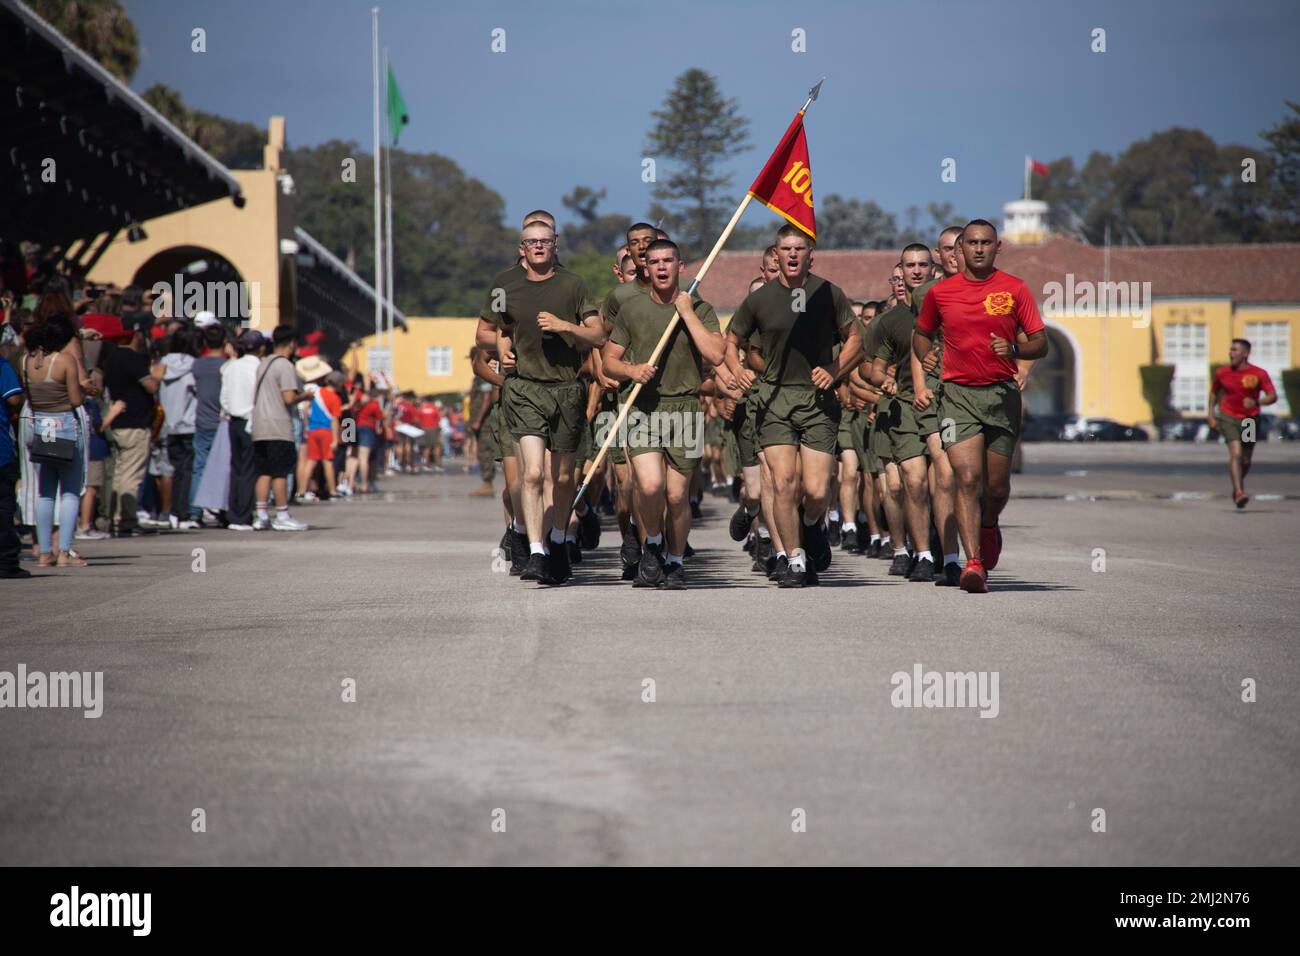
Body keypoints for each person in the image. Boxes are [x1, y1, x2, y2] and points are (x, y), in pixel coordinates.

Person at [912, 220, 1048, 593]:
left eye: (986, 243)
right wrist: (927, 358)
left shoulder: (1014, 289)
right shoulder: (941, 294)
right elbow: (921, 334)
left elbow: (1041, 342)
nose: (978, 249)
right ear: (960, 249)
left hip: (1002, 396)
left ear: (997, 246)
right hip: (957, 397)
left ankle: (989, 525)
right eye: (971, 243)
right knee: (966, 477)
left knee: (997, 487)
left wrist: (1016, 351)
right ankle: (973, 563)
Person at [725, 225, 862, 587]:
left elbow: (856, 340)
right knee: (784, 484)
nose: (792, 255)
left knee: (816, 491)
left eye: (799, 249)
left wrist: (834, 369)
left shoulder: (828, 293)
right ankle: (796, 559)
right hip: (774, 398)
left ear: (809, 255)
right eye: (786, 249)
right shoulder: (760, 299)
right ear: (776, 253)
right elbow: (733, 338)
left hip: (816, 400)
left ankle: (813, 524)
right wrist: (737, 369)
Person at [602, 239, 724, 588]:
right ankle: (652, 542)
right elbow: (610, 361)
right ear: (645, 268)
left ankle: (674, 560)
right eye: (653, 261)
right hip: (642, 408)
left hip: (684, 408)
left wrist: (686, 313)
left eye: (668, 260)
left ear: (680, 266)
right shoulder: (632, 309)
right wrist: (631, 371)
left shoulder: (699, 308)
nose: (660, 267)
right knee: (651, 486)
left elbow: (715, 355)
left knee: (676, 495)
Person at [491, 219, 604, 584]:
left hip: (567, 389)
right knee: (534, 473)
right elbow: (497, 330)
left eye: (545, 241)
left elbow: (598, 335)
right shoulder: (504, 286)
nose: (538, 247)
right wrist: (502, 352)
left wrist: (565, 327)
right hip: (525, 390)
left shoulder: (574, 285)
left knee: (565, 475)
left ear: (555, 244)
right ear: (521, 248)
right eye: (531, 242)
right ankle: (537, 551)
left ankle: (557, 539)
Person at [23, 315, 87, 566]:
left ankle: (45, 551)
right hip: (65, 425)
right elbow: (75, 400)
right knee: (70, 492)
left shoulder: (26, 362)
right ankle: (65, 551)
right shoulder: (65, 361)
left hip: (39, 424)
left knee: (45, 492)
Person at [104, 315, 162, 536]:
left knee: (119, 473)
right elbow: (151, 387)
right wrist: (157, 376)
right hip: (135, 424)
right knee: (132, 475)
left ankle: (115, 518)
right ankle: (126, 520)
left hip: (118, 423)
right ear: (136, 334)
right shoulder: (133, 359)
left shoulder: (111, 358)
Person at [251, 325, 313, 531]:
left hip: (260, 425)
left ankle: (261, 514)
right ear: (292, 343)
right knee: (280, 472)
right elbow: (289, 398)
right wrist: (306, 396)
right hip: (278, 425)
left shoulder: (263, 363)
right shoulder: (285, 366)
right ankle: (282, 514)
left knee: (264, 471)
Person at [1208, 338, 1276, 508]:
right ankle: (1239, 491)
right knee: (1236, 454)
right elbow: (1213, 393)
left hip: (1249, 420)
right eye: (1230, 350)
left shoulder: (1258, 374)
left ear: (1245, 353)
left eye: (1235, 350)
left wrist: (1257, 403)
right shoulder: (1222, 373)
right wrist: (1210, 415)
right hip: (1228, 416)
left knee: (1245, 460)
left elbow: (1272, 395)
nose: (1231, 353)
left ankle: (1237, 485)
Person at [158, 325, 201, 529]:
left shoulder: (162, 363)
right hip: (188, 424)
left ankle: (169, 512)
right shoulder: (193, 365)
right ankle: (183, 513)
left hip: (166, 424)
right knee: (186, 471)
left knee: (168, 471)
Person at [220, 329, 263, 530]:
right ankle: (243, 516)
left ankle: (233, 512)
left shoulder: (230, 366)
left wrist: (230, 410)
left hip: (232, 420)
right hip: (251, 420)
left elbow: (224, 397)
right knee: (248, 470)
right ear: (261, 348)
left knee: (236, 468)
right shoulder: (259, 368)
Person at [190, 320, 229, 524]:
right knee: (225, 468)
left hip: (201, 421)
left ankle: (194, 512)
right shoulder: (226, 366)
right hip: (222, 423)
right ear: (224, 341)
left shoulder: (197, 364)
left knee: (199, 467)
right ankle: (223, 511)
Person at [0, 345, 26, 577]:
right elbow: (15, 399)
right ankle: (6, 563)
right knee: (3, 508)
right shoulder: (1, 365)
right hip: (1, 450)